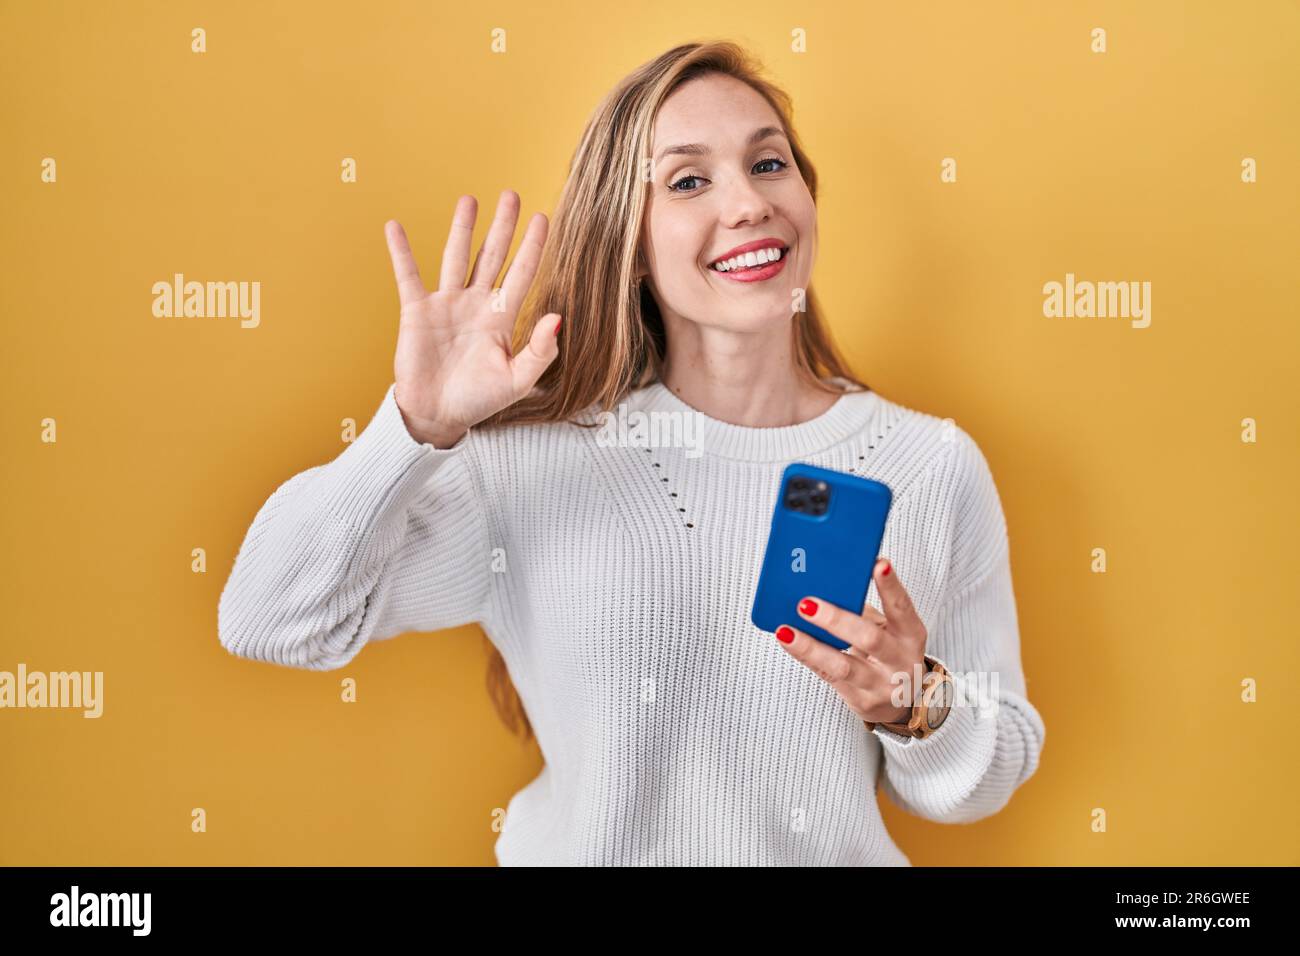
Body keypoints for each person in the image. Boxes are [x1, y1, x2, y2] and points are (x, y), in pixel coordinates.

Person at [217, 40, 1045, 866]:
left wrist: (912, 701)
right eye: (689, 180)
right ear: (632, 243)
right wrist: (413, 430)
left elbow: (989, 772)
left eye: (769, 163)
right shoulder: (528, 465)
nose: (750, 203)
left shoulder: (930, 464)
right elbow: (269, 620)